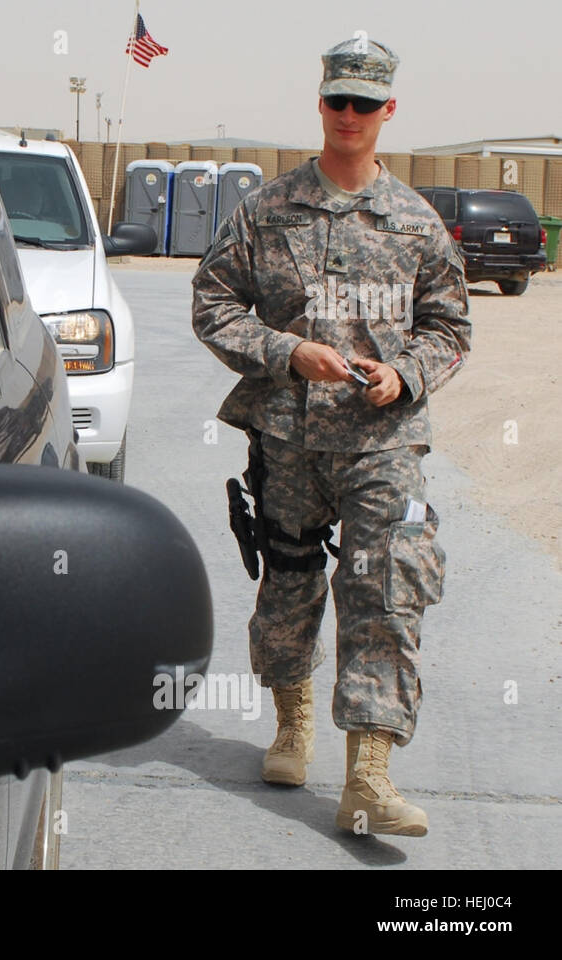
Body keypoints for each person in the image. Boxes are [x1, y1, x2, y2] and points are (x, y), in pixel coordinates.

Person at [193, 37, 470, 836]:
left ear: (389, 110)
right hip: (287, 437)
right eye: (337, 100)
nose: (349, 115)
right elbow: (212, 303)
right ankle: (292, 722)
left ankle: (370, 776)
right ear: (321, 104)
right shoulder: (265, 211)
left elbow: (450, 325)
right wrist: (287, 353)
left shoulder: (417, 223)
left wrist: (405, 373)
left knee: (389, 589)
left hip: (385, 441)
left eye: (364, 103)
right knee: (288, 585)